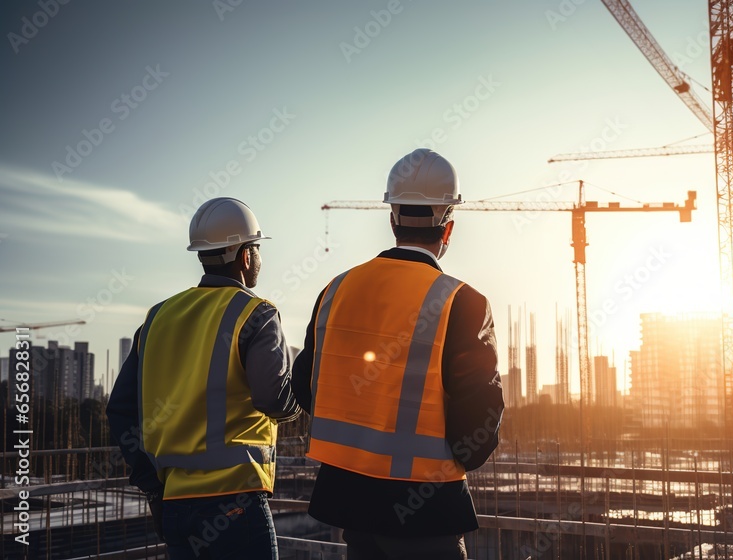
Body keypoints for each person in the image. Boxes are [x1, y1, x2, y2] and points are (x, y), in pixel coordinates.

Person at [292, 148, 504, 560]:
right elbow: (476, 436)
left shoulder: (335, 291)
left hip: (354, 512)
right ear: (448, 229)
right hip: (428, 517)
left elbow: (306, 389)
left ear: (392, 219)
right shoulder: (463, 303)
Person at [107, 197, 300, 560]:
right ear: (245, 256)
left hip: (175, 505)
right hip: (236, 503)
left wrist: (152, 489)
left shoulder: (158, 317)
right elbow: (273, 399)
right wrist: (301, 396)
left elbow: (119, 410)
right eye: (257, 248)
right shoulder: (256, 313)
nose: (259, 257)